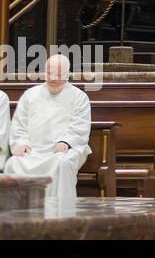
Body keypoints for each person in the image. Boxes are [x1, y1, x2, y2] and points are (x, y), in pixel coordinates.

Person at [3, 55, 91, 203]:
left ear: (67, 74)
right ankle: (18, 216)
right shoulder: (30, 95)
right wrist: (20, 143)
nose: (53, 78)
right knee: (13, 163)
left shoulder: (79, 97)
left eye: (58, 74)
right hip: (34, 150)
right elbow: (19, 124)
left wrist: (66, 141)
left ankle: (62, 212)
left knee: (64, 164)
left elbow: (80, 126)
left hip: (64, 150)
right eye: (49, 73)